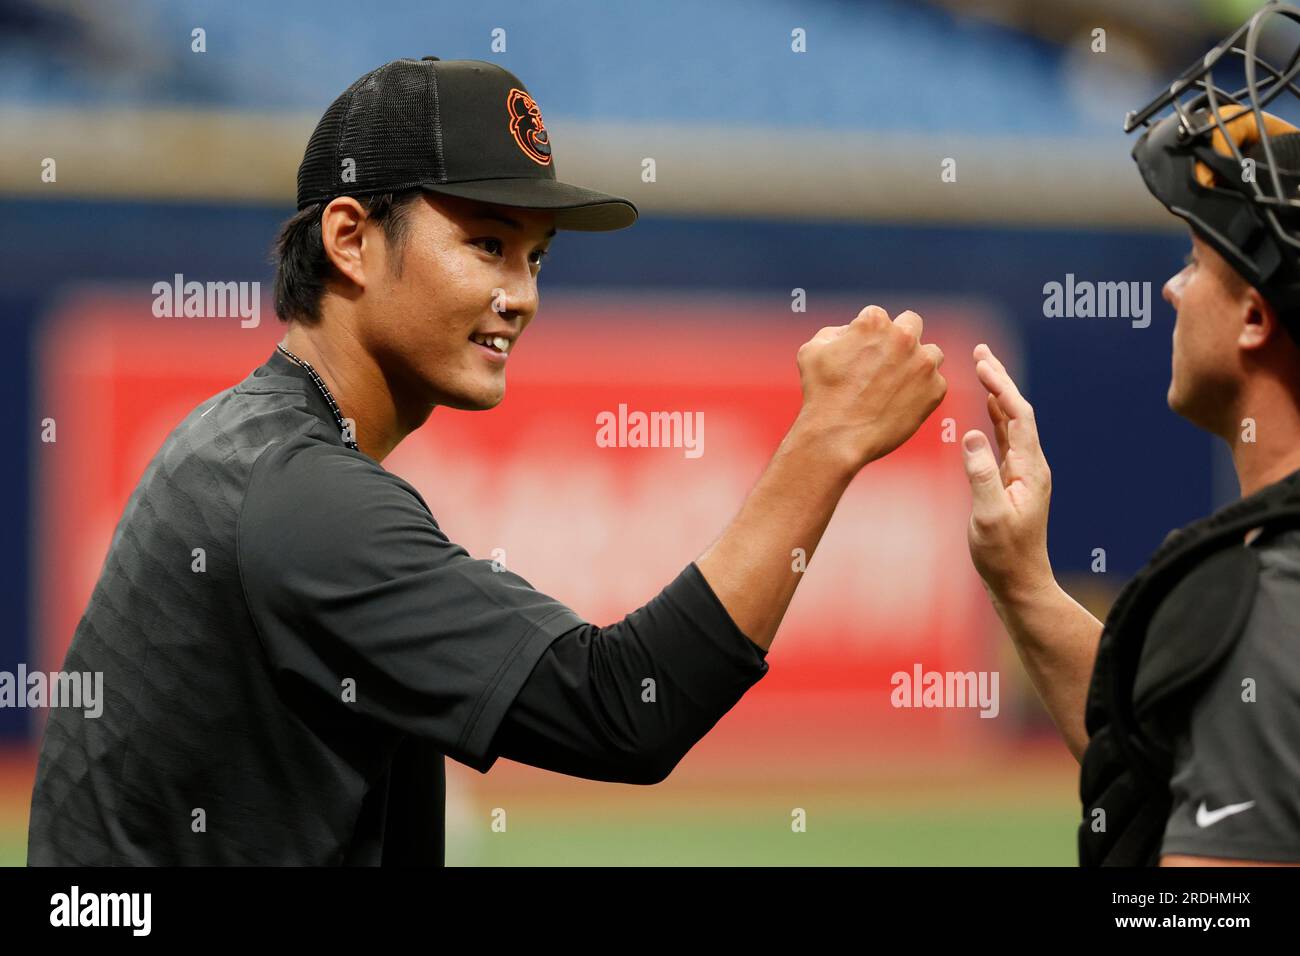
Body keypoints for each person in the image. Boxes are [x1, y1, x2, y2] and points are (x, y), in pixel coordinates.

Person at [28, 57, 947, 864]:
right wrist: (825, 443)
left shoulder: (252, 445)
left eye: (537, 259)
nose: (521, 296)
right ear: (349, 238)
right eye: (485, 244)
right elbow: (626, 707)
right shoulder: (296, 492)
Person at [959, 4, 1300, 866]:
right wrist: (1024, 580)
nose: (1170, 293)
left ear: (1255, 316)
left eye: (1193, 262)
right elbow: (1167, 769)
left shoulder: (1269, 603)